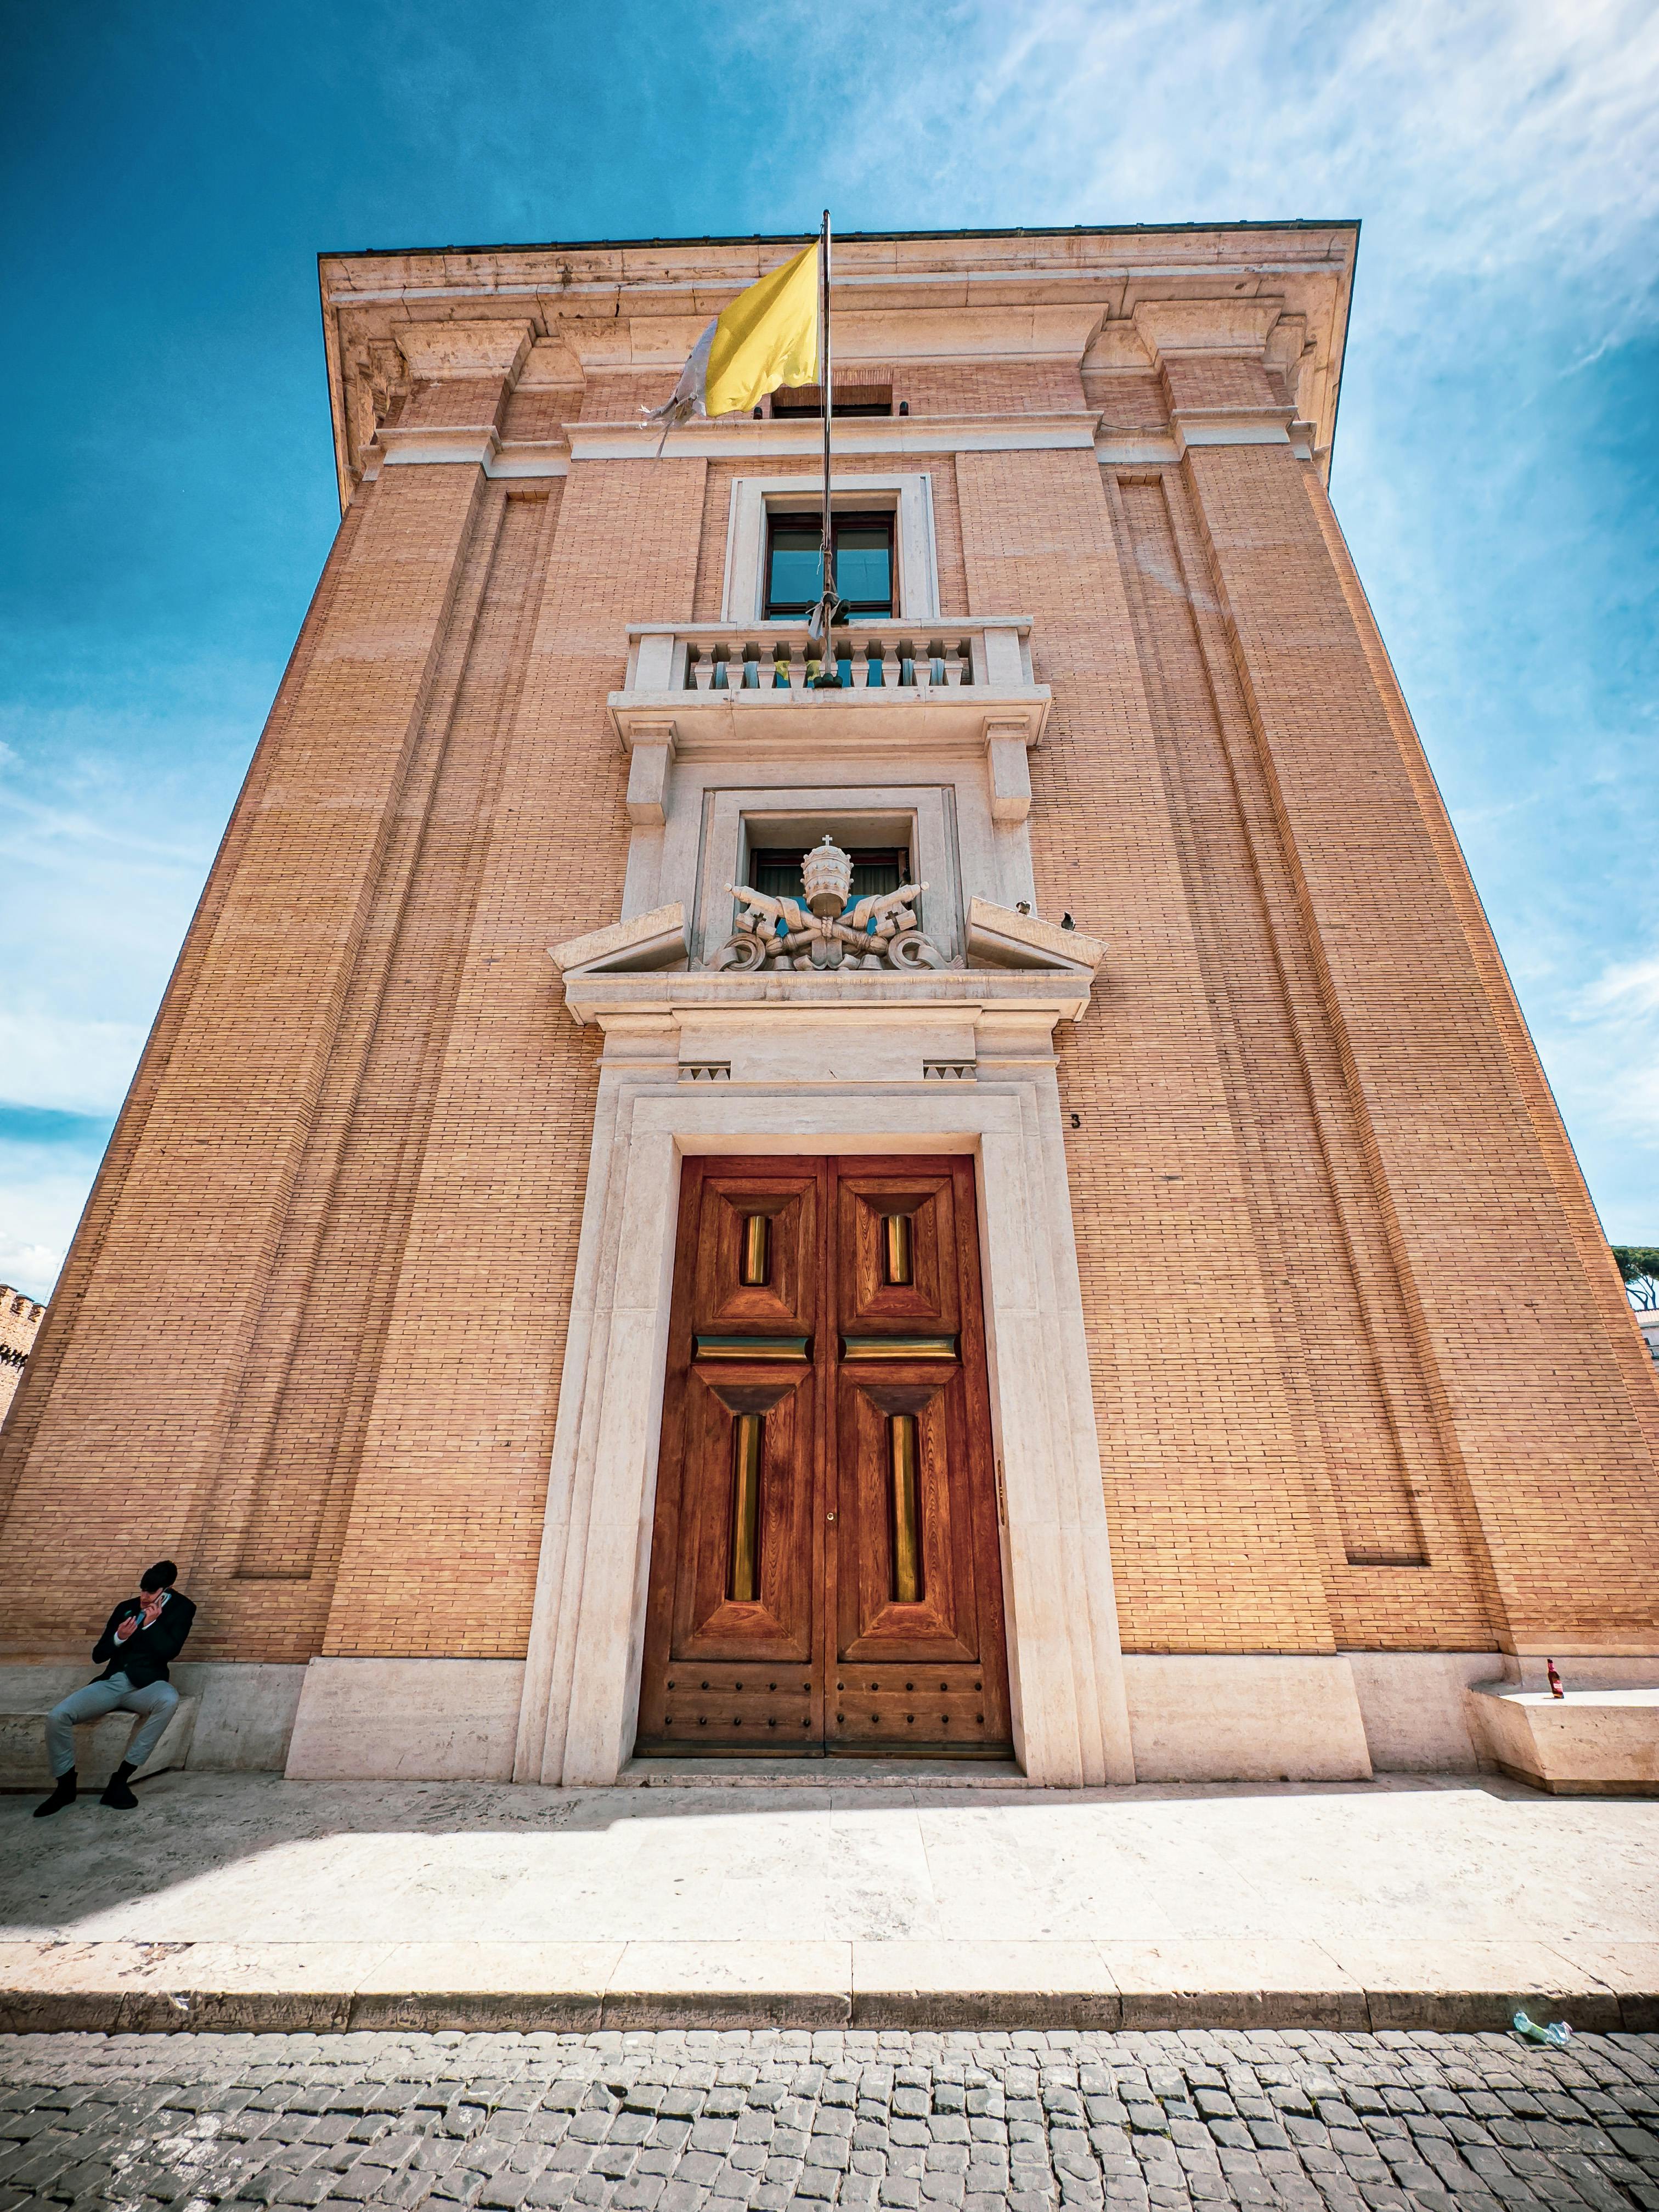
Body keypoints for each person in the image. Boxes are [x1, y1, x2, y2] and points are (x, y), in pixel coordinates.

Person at [35, 1561, 196, 1815]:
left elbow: (170, 1651)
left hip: (147, 1685)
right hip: (112, 1682)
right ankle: (65, 1786)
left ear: (166, 1590)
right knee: (58, 1717)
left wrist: (151, 1625)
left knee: (168, 1700)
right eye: (142, 1590)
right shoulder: (126, 1608)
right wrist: (119, 1638)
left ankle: (120, 1781)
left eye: (151, 1592)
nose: (144, 1597)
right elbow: (99, 1655)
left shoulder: (183, 1609)